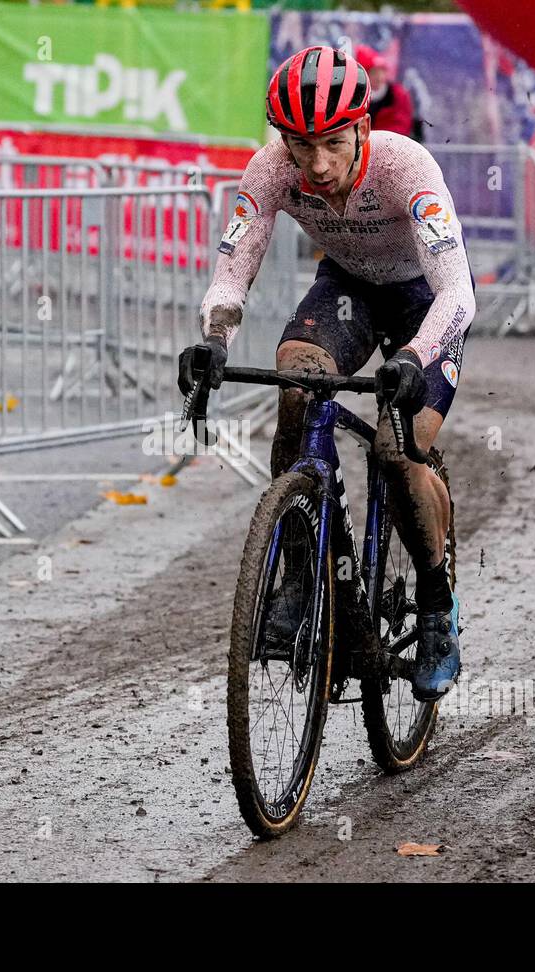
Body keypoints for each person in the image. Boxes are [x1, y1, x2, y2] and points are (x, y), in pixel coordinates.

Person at [178, 46, 475, 701]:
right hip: (346, 289)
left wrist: (414, 357)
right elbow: (235, 263)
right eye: (299, 145)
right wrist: (214, 337)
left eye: (333, 144)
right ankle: (297, 579)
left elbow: (457, 291)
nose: (316, 165)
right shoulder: (272, 168)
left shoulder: (406, 165)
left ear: (363, 131)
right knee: (295, 383)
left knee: (398, 450)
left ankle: (434, 603)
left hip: (425, 303)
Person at [354, 44, 421, 141]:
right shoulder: (354, 96)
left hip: (391, 144)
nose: (379, 77)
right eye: (374, 72)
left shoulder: (398, 94)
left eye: (382, 72)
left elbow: (402, 126)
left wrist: (376, 140)